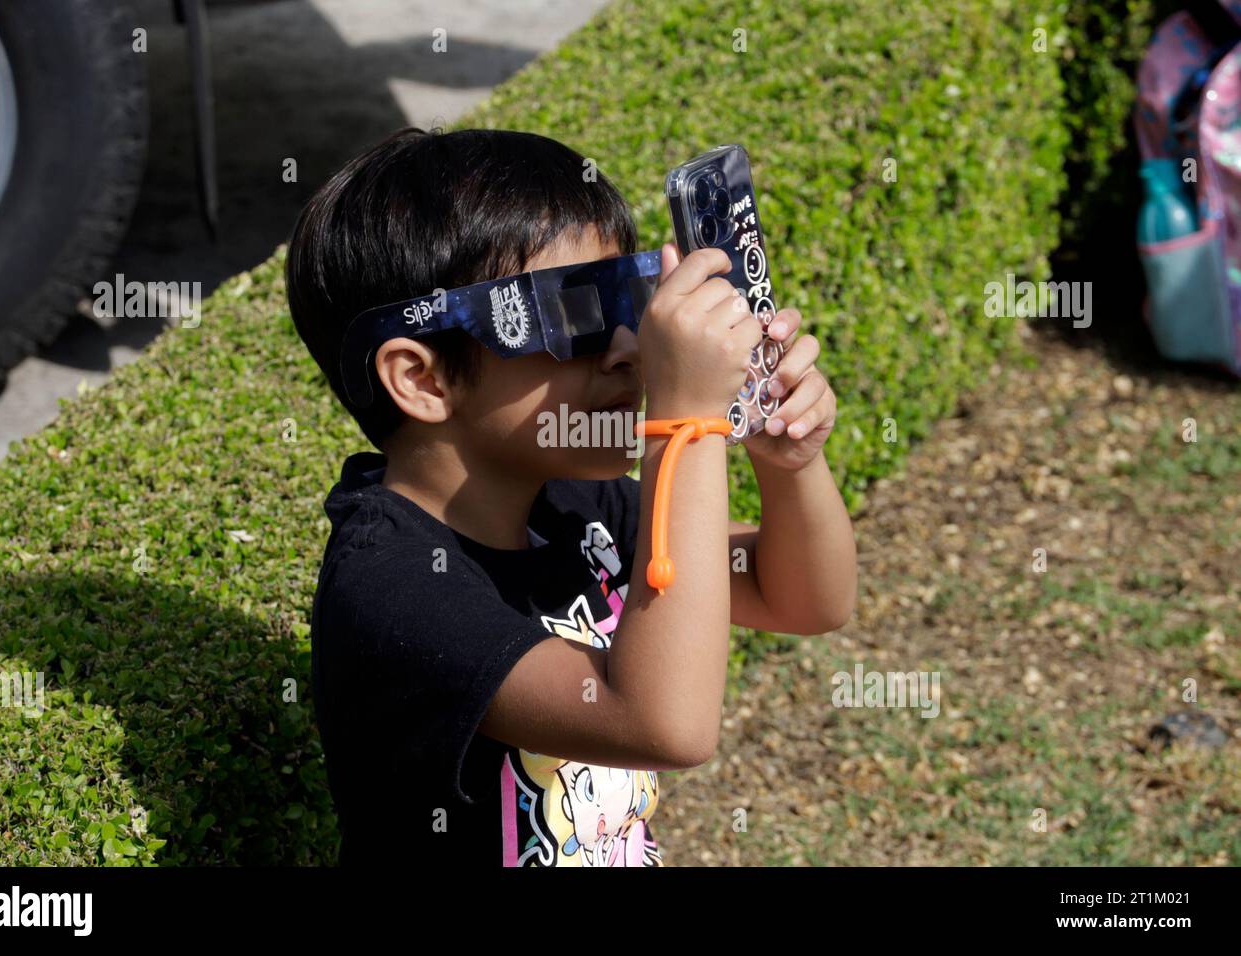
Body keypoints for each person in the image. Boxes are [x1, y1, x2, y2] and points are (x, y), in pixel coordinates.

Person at [286, 126, 857, 867]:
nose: (628, 347)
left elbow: (803, 598)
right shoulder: (391, 581)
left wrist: (789, 463)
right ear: (422, 379)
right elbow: (665, 725)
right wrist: (684, 424)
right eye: (575, 313)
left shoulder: (572, 506)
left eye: (632, 298)